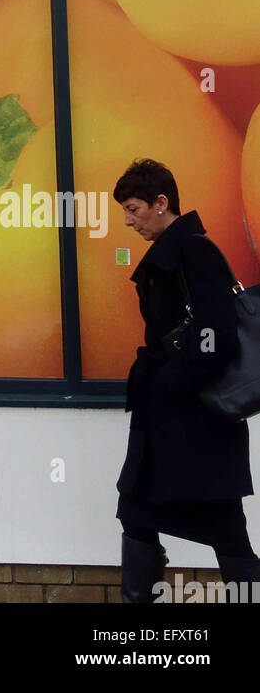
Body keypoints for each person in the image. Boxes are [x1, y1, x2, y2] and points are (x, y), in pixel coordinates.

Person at [112, 159, 260, 602]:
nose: (128, 220)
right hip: (169, 421)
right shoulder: (172, 253)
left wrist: (171, 382)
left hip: (197, 422)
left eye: (134, 208)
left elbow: (218, 336)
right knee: (135, 512)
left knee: (225, 529)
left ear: (162, 203)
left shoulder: (194, 251)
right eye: (125, 210)